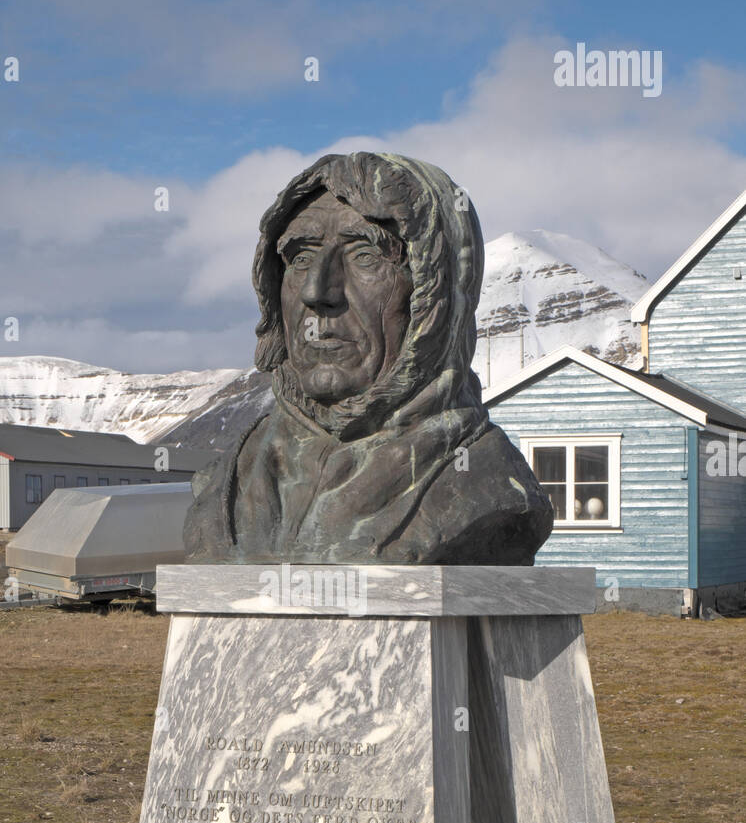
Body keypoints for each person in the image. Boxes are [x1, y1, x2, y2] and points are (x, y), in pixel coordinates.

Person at [184, 151, 553, 564]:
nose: (317, 292)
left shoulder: (486, 483)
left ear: (435, 292)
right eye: (300, 259)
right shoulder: (222, 487)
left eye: (366, 256)